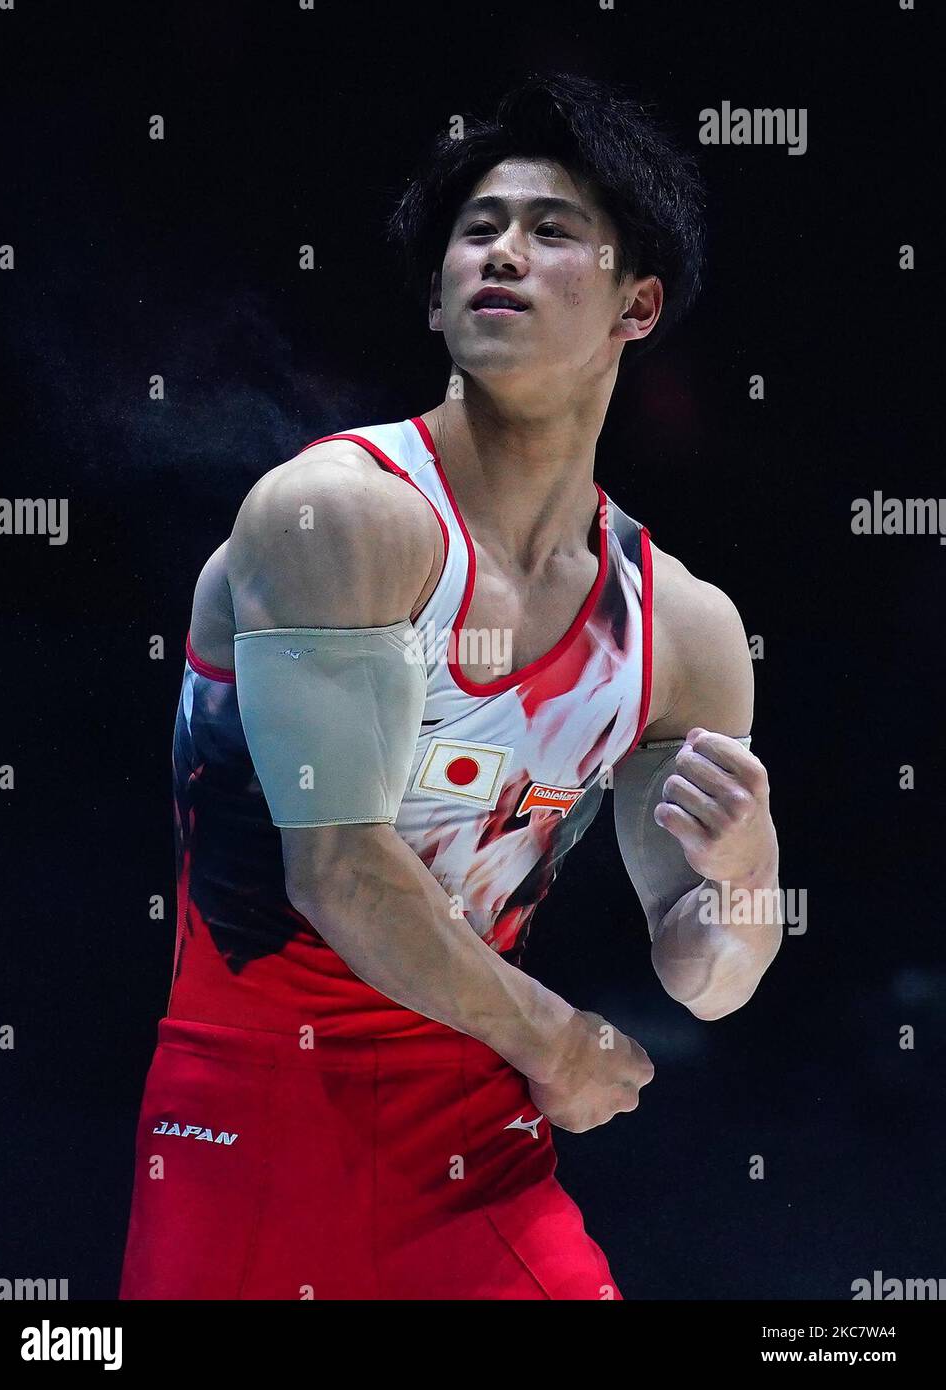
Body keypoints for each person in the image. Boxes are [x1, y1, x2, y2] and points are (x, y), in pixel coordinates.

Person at [119, 71, 782, 1301]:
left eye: (552, 229)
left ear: (638, 305)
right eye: (478, 230)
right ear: (434, 299)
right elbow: (337, 871)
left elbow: (708, 972)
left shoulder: (682, 629)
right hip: (250, 1115)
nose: (503, 252)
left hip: (475, 1137)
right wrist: (561, 1041)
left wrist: (747, 880)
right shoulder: (340, 514)